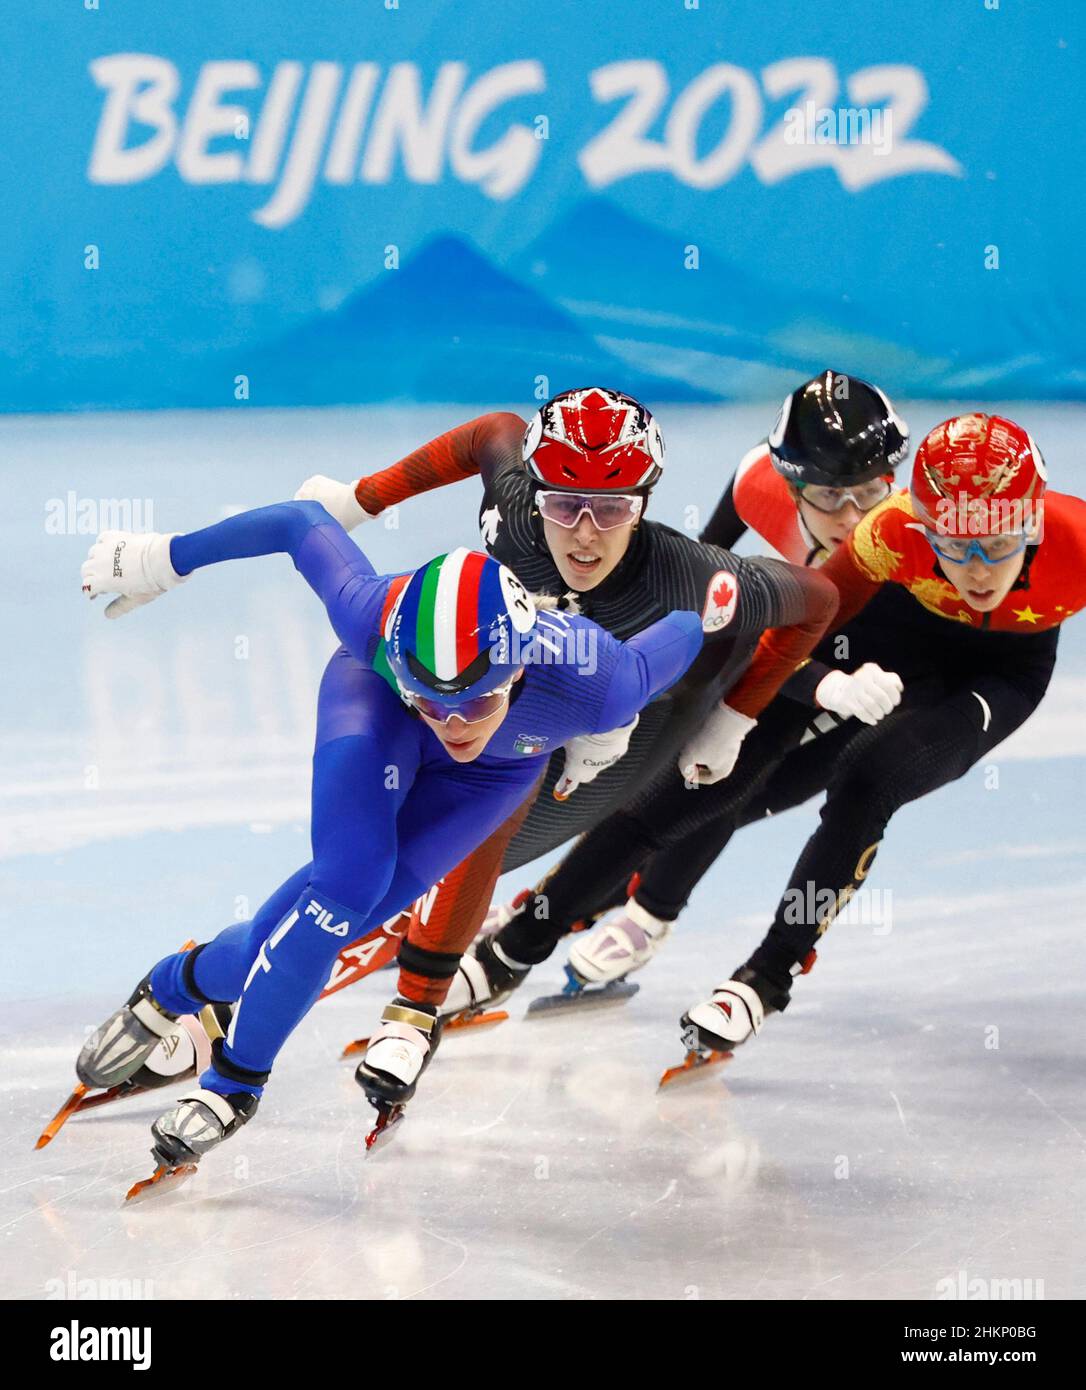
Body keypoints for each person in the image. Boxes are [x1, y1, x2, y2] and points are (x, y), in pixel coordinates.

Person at [74, 499, 706, 1175]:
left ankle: (178, 983)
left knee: (315, 928)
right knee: (349, 882)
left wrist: (641, 690)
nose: (453, 722)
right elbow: (299, 522)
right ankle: (235, 1086)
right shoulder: (368, 611)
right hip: (374, 706)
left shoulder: (599, 678)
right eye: (434, 698)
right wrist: (165, 557)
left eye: (476, 700)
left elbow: (691, 624)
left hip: (494, 773)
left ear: (519, 669)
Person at [295, 387, 840, 1034]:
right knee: (404, 835)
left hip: (646, 717)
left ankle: (453, 959)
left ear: (642, 504)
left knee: (461, 850)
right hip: (533, 708)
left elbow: (819, 599)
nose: (584, 533)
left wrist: (735, 717)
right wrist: (362, 498)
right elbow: (491, 432)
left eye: (611, 509)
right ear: (536, 494)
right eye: (564, 504)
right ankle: (398, 945)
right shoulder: (518, 516)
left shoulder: (692, 579)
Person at [459, 372, 910, 1007]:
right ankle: (575, 902)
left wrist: (824, 687)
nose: (854, 516)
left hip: (865, 663)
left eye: (869, 492)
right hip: (791, 643)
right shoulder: (758, 478)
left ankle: (648, 915)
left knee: (729, 784)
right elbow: (702, 585)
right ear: (788, 482)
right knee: (669, 760)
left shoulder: (899, 544)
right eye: (829, 497)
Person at [680, 411, 1086, 1054]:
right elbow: (807, 624)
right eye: (954, 545)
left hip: (1002, 676)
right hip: (908, 641)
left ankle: (766, 974)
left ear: (1033, 524)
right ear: (923, 527)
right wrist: (736, 714)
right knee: (744, 766)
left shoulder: (1080, 539)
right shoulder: (891, 527)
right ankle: (595, 895)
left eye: (999, 544)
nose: (978, 571)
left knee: (871, 777)